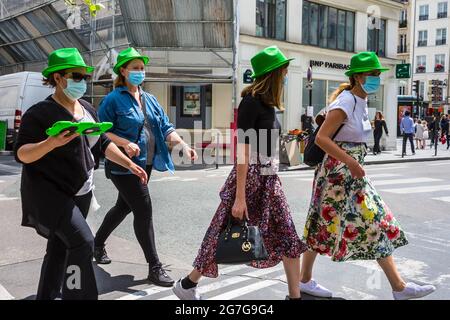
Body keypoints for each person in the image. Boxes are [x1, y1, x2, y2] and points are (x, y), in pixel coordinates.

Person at [172, 46, 307, 300]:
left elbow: (266, 143)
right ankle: (188, 284)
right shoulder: (251, 103)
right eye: (284, 70)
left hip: (269, 180)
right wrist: (240, 197)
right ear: (273, 74)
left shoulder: (269, 105)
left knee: (289, 237)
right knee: (221, 235)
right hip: (250, 179)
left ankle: (295, 296)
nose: (287, 74)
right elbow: (242, 153)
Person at [13, 48, 148, 300]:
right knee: (83, 243)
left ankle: (47, 295)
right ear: (58, 78)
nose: (82, 82)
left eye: (84, 77)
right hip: (51, 193)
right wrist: (51, 143)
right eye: (76, 76)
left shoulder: (87, 108)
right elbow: (22, 153)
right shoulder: (38, 113)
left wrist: (129, 164)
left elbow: (103, 143)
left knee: (59, 248)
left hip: (82, 191)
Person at [300, 51, 436, 300]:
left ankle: (398, 287)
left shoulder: (360, 102)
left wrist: (355, 163)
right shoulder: (346, 101)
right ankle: (399, 287)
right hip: (337, 178)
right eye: (372, 74)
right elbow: (321, 138)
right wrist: (351, 162)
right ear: (358, 76)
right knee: (367, 225)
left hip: (351, 178)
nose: (376, 78)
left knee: (366, 225)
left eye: (377, 74)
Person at [93, 47, 198, 287]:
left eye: (142, 68)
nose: (140, 72)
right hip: (123, 166)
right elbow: (102, 131)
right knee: (143, 209)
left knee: (123, 207)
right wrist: (124, 143)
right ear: (123, 71)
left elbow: (165, 127)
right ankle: (154, 266)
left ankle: (97, 243)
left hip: (147, 163)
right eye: (135, 68)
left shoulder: (149, 99)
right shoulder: (113, 99)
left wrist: (182, 145)